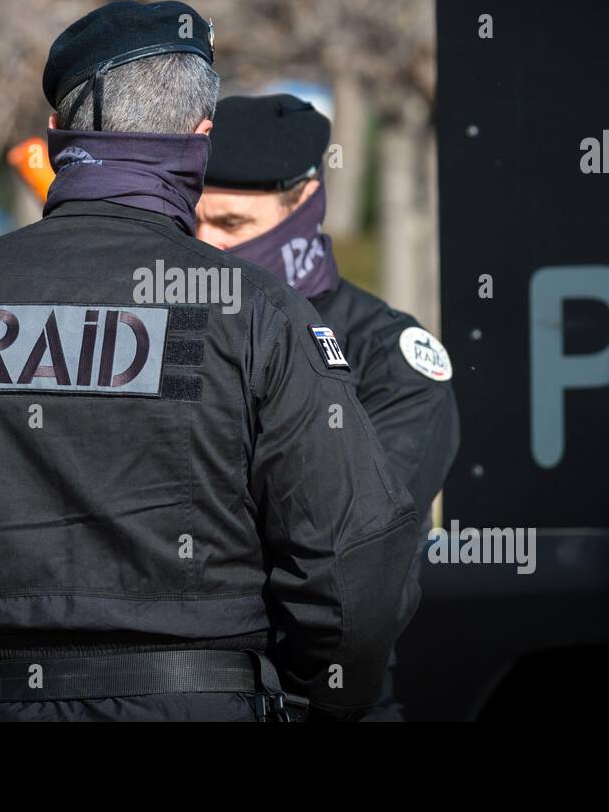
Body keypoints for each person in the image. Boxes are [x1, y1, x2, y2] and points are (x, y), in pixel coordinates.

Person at [0, 0, 421, 722]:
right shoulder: (258, 314)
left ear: (56, 138)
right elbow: (350, 565)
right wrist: (298, 701)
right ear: (201, 140)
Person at [196, 93, 460, 718]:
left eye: (231, 225)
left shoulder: (389, 355)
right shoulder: (163, 325)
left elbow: (356, 547)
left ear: (302, 204)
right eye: (192, 222)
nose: (204, 247)